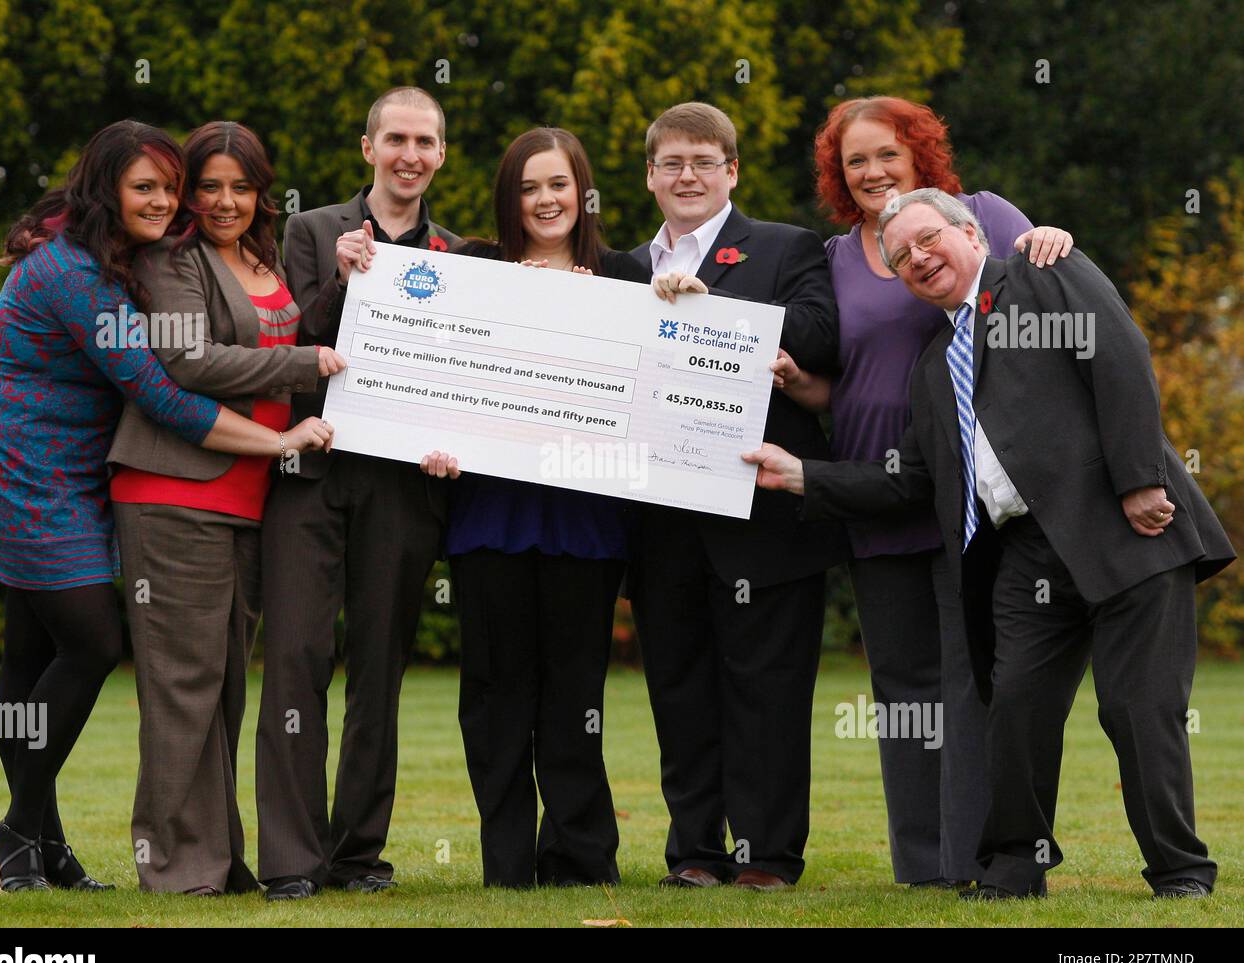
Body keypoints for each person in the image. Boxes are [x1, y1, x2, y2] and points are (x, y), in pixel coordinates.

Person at [744, 188, 1234, 899]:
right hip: (1026, 558)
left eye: (926, 239)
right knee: (1014, 710)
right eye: (902, 257)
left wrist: (1139, 480)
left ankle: (1180, 870)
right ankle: (1014, 868)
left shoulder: (1042, 271)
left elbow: (1122, 354)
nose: (918, 258)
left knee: (1136, 709)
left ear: (970, 233)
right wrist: (802, 476)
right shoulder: (932, 367)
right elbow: (909, 479)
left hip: (1124, 528)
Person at [0, 120, 334, 894]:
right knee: (94, 639)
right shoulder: (72, 273)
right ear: (107, 189)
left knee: (28, 656)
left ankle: (42, 846)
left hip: (84, 465)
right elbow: (164, 389)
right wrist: (278, 443)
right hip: (26, 469)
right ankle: (18, 831)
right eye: (146, 187)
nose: (166, 201)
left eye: (171, 187)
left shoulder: (115, 255)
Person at [771, 95, 1074, 888]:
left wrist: (1051, 236)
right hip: (873, 489)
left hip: (971, 492)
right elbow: (843, 386)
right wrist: (798, 383)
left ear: (920, 155)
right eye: (854, 161)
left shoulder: (977, 214)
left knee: (969, 681)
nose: (871, 172)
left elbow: (1047, 292)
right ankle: (922, 865)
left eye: (886, 154)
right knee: (901, 690)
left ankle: (977, 855)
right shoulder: (836, 255)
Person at [106, 122, 346, 895]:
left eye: (240, 186)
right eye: (207, 185)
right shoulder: (170, 259)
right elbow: (188, 359)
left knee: (223, 690)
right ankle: (175, 869)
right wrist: (303, 361)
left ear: (260, 192)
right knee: (182, 689)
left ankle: (215, 857)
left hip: (249, 503)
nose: (223, 201)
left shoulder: (264, 259)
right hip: (175, 496)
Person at [419, 127, 654, 887]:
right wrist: (432, 437)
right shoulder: (473, 270)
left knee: (574, 695)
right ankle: (507, 862)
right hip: (492, 514)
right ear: (507, 197)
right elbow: (423, 364)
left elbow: (667, 368)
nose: (545, 200)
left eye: (558, 184)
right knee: (494, 693)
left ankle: (582, 857)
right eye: (528, 187)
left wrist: (678, 300)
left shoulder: (629, 274)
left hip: (586, 519)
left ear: (582, 190)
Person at [626, 102, 843, 890]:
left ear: (732, 172)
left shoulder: (788, 246)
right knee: (680, 692)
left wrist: (706, 311)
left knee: (770, 697)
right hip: (661, 524)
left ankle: (767, 857)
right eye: (672, 163)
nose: (688, 176)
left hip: (765, 515)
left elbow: (821, 335)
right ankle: (693, 852)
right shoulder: (624, 267)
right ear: (650, 174)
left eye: (704, 162)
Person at [255, 87, 459, 901]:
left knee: (380, 667)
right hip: (311, 472)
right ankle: (291, 860)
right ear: (367, 146)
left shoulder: (457, 252)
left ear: (442, 155)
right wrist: (344, 280)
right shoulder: (310, 232)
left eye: (427, 141)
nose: (411, 153)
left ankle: (357, 854)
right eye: (397, 138)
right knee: (298, 657)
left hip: (405, 486)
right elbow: (294, 343)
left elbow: (472, 376)